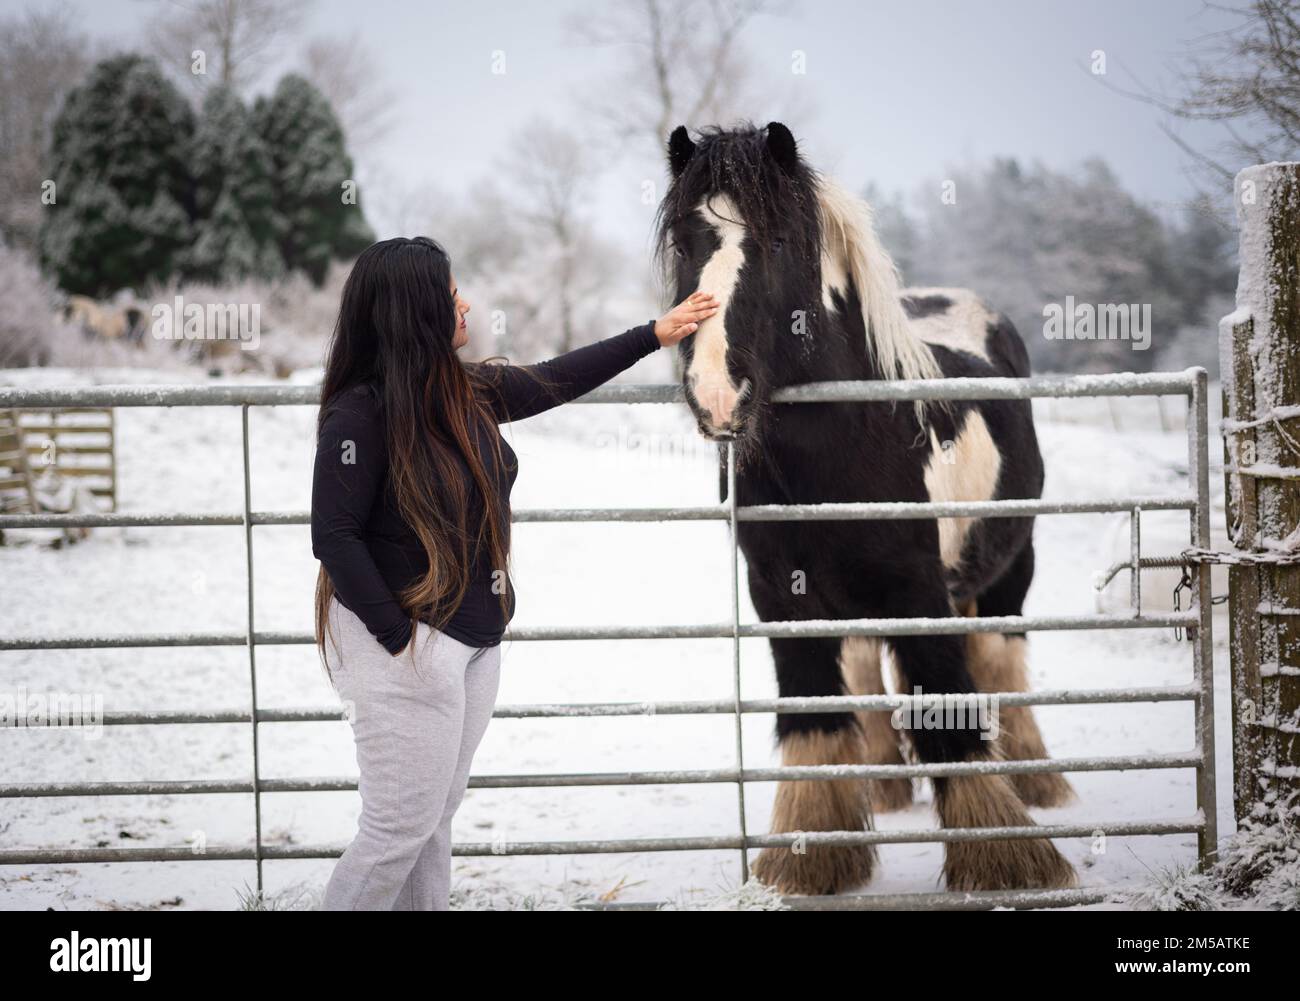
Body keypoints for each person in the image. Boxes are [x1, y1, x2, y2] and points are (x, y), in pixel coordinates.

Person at [310, 235, 717, 910]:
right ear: (416, 312)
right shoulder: (359, 413)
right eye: (451, 296)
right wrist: (399, 639)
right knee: (395, 829)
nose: (466, 305)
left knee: (431, 822)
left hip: (472, 641)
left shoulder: (463, 391)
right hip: (403, 648)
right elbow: (334, 534)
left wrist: (653, 334)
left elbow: (558, 376)